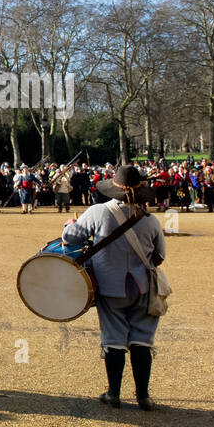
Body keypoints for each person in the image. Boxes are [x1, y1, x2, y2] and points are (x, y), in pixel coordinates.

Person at [61, 166, 166, 410]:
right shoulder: (151, 220)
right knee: (143, 340)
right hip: (143, 288)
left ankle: (114, 394)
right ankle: (143, 396)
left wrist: (69, 224)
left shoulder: (98, 212)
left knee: (113, 339)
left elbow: (71, 238)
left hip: (109, 286)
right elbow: (160, 256)